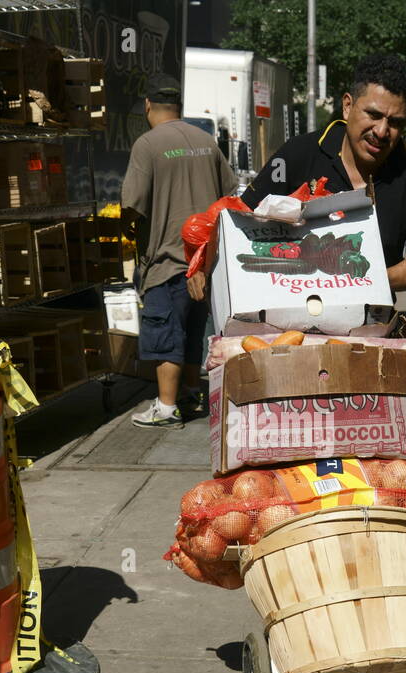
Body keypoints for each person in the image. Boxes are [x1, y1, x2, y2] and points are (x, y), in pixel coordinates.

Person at [241, 54, 406, 293]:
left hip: (368, 322)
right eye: (374, 115)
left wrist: (369, 280)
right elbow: (242, 217)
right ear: (348, 106)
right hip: (288, 318)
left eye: (395, 123)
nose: (381, 131)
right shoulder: (298, 154)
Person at [121, 73, 237, 430]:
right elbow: (231, 192)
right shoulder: (206, 140)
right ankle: (189, 393)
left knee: (165, 332)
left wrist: (125, 231)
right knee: (190, 331)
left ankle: (166, 406)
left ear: (147, 106)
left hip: (167, 259)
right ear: (180, 107)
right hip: (203, 262)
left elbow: (132, 205)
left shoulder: (148, 144)